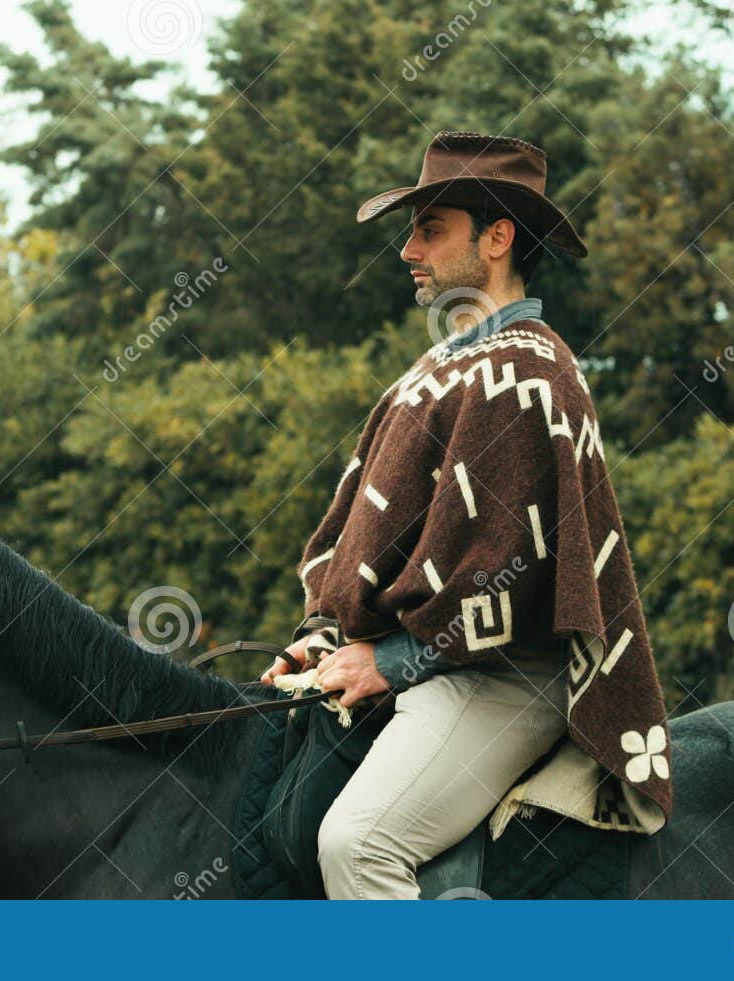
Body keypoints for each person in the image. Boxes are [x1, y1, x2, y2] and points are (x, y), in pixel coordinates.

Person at [261, 131, 674, 899]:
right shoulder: (430, 372)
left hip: (506, 678)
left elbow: (512, 580)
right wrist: (321, 640)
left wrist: (390, 661)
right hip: (427, 666)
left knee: (357, 846)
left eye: (431, 229)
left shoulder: (530, 369)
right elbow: (357, 544)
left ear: (497, 238)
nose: (409, 250)